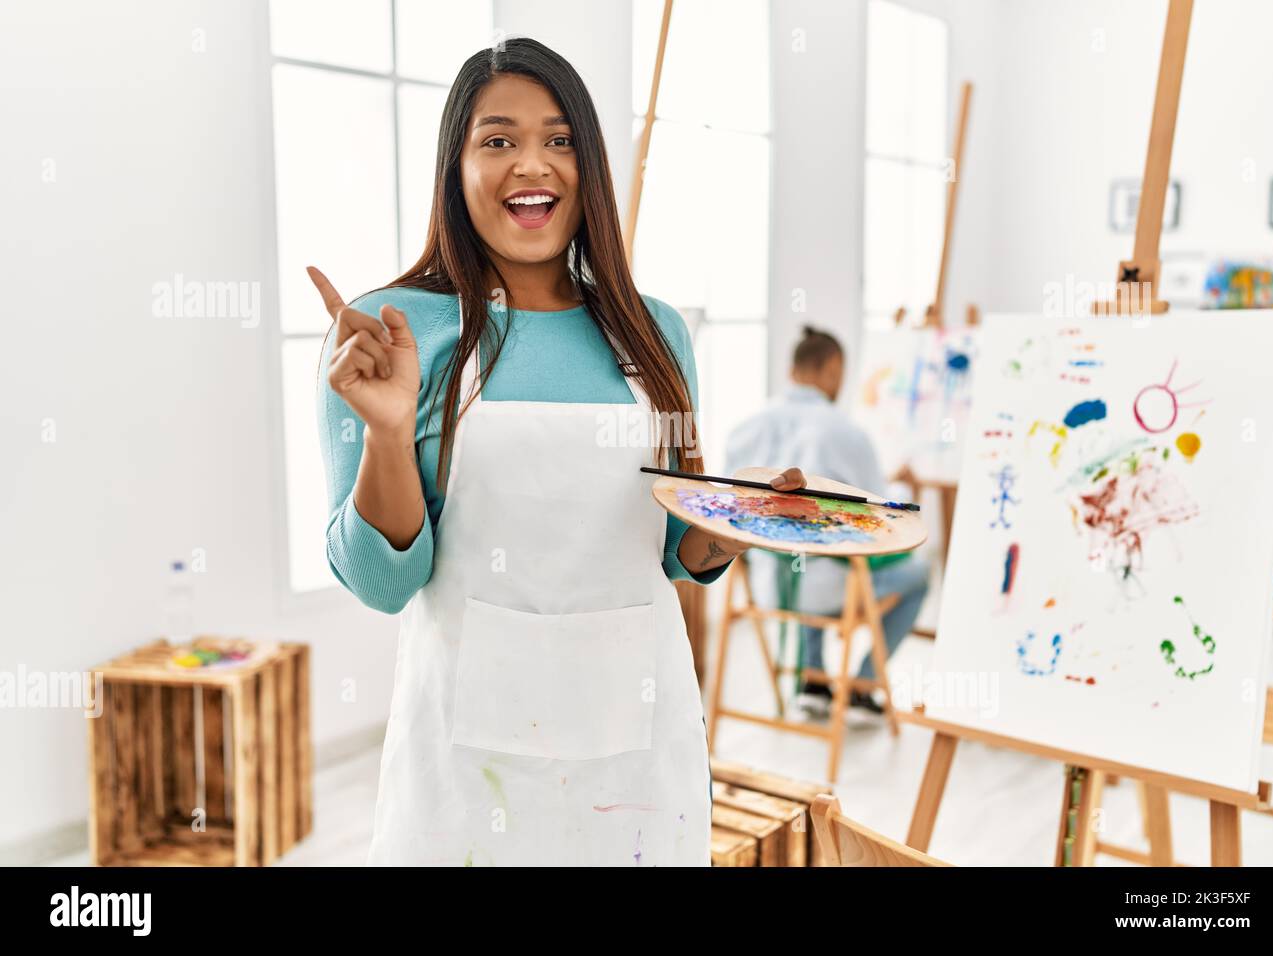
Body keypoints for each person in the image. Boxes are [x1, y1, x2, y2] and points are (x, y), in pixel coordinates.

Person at [311, 38, 806, 866]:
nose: (531, 164)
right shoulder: (390, 330)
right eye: (497, 140)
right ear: (454, 166)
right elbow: (383, 582)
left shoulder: (656, 333)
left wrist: (734, 520)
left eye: (560, 139)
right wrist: (389, 434)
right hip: (465, 778)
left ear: (589, 166)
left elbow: (679, 549)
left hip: (639, 759)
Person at [725, 326, 930, 724]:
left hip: (765, 587)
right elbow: (880, 515)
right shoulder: (845, 432)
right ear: (833, 368)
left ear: (792, 368)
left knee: (802, 545)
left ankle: (813, 683)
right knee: (917, 572)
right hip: (826, 589)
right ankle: (863, 684)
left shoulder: (745, 429)